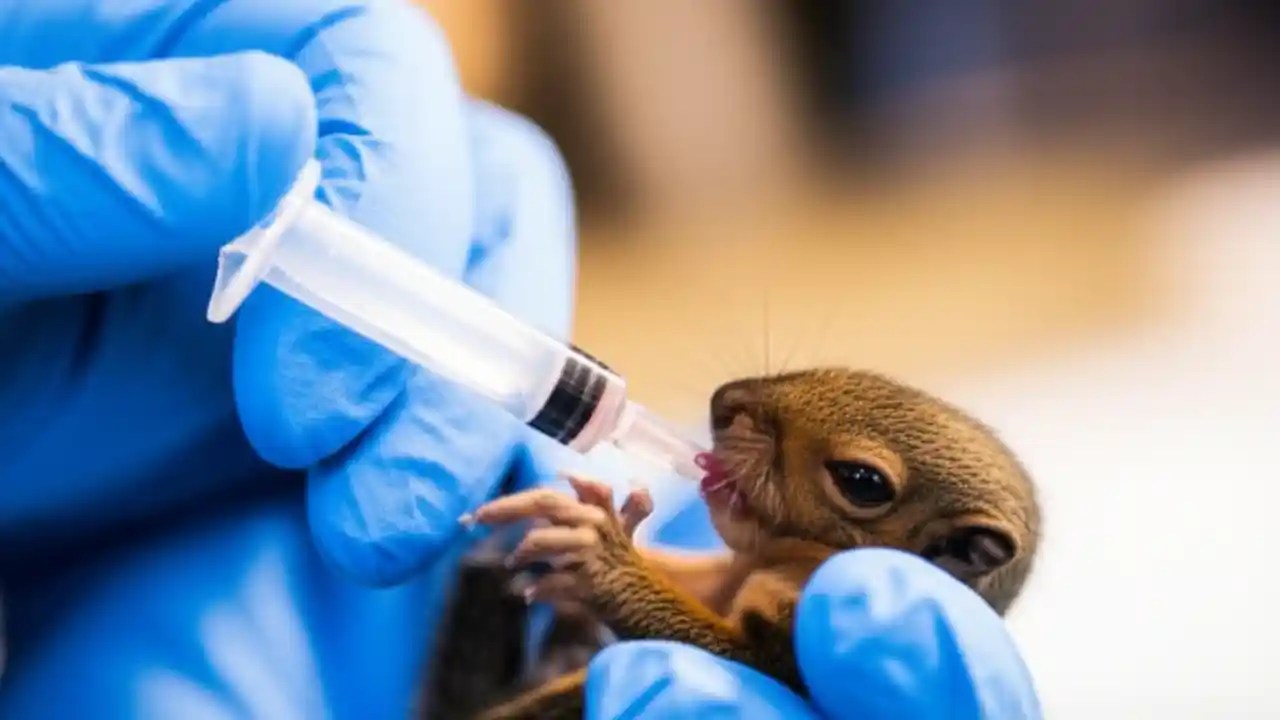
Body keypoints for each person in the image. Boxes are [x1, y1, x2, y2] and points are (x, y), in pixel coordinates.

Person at [0, 1, 1042, 718]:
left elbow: (712, 639)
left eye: (855, 484)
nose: (727, 424)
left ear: (956, 555)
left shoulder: (814, 616)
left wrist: (612, 569)